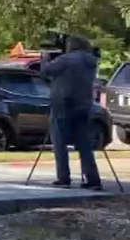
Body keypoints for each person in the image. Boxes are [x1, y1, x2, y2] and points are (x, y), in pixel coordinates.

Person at [42, 34, 101, 190]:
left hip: (63, 104)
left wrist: (45, 58)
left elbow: (47, 71)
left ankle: (64, 178)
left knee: (59, 142)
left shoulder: (66, 60)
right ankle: (92, 179)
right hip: (83, 105)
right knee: (84, 143)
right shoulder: (91, 62)